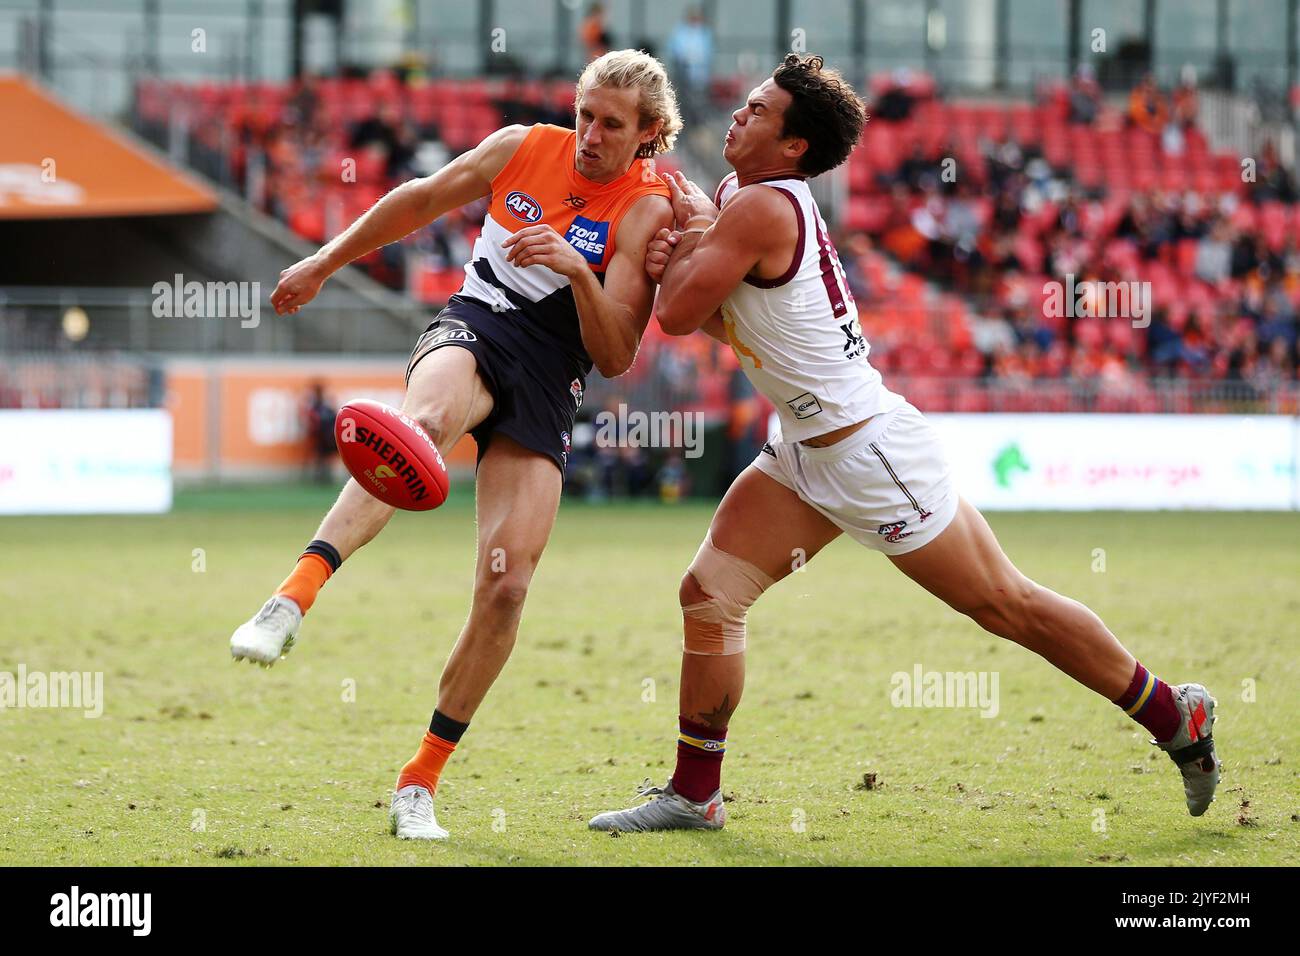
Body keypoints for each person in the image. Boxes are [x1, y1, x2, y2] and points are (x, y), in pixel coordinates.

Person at [589, 54, 1221, 833]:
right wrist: (684, 243)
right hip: (809, 448)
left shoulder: (760, 210)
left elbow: (679, 314)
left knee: (1007, 606)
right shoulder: (736, 198)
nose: (741, 113)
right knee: (709, 596)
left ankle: (1174, 714)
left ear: (793, 148)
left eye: (759, 109)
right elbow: (725, 325)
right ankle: (695, 794)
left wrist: (670, 254)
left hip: (868, 455)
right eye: (746, 102)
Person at [228, 49, 678, 840]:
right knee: (421, 427)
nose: (590, 134)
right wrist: (326, 262)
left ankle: (418, 783)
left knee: (505, 590)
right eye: (584, 114)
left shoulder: (645, 210)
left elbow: (614, 355)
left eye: (611, 124)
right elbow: (422, 198)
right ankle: (289, 598)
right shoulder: (521, 146)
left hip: (552, 371)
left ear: (646, 134)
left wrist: (580, 271)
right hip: (478, 323)